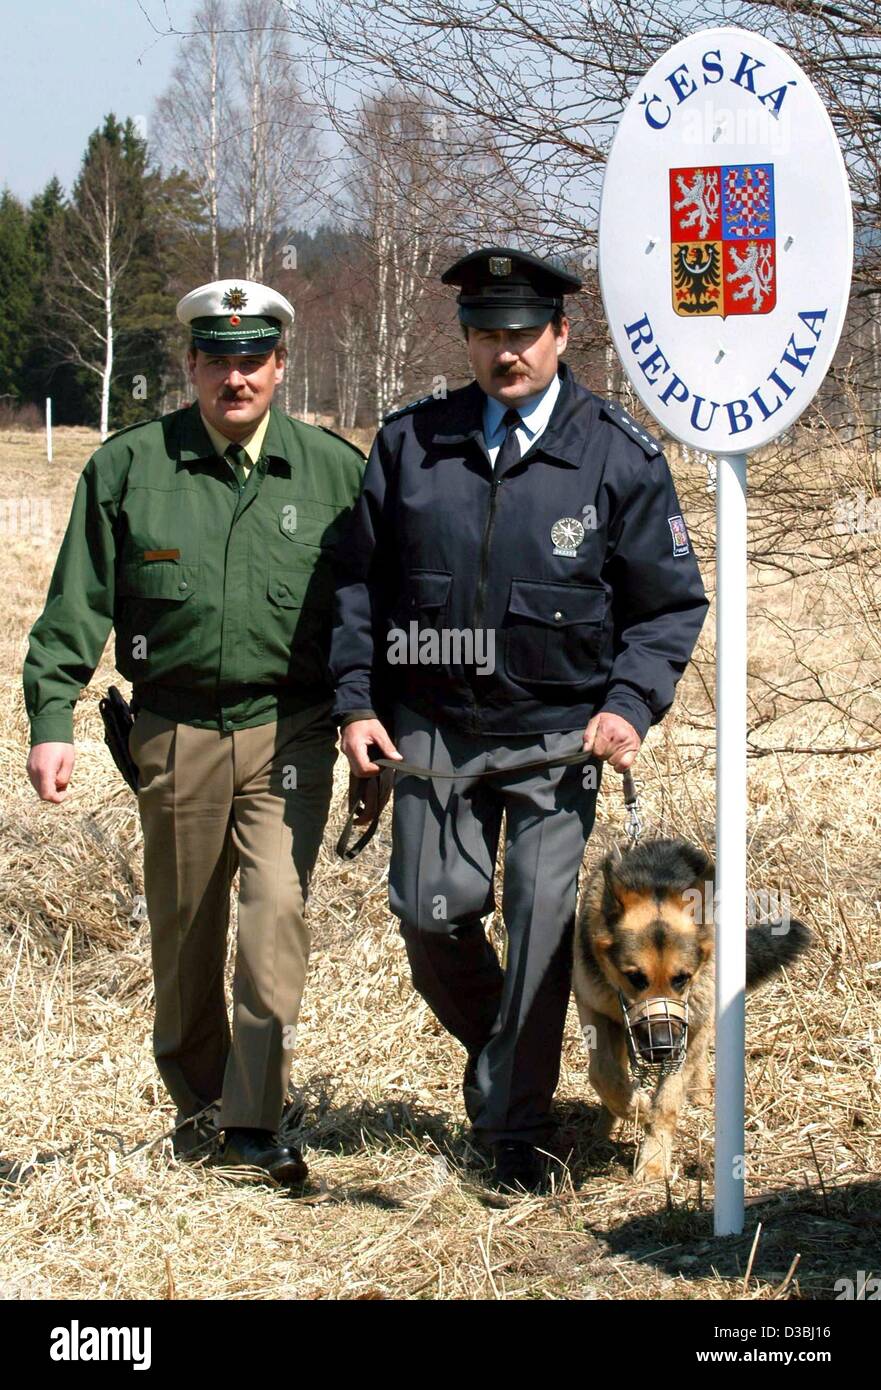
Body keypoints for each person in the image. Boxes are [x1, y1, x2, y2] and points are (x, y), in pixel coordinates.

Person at [330, 247, 709, 1192]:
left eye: (521, 333)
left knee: (543, 933)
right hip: (434, 734)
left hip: (555, 738)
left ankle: (516, 1134)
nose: (504, 353)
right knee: (430, 916)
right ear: (466, 338)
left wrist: (627, 705)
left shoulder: (614, 455)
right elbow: (354, 586)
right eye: (485, 333)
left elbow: (667, 604)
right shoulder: (412, 444)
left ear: (560, 335)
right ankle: (511, 1052)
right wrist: (354, 704)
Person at [23, 278, 365, 1182]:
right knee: (184, 933)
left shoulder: (335, 472)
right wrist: (50, 716)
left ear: (281, 366)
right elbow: (77, 603)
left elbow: (374, 614)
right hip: (173, 735)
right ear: (191, 365)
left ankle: (253, 1123)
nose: (235, 378)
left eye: (253, 359)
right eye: (217, 359)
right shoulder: (130, 467)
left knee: (274, 920)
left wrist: (379, 728)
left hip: (289, 730)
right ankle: (202, 1102)